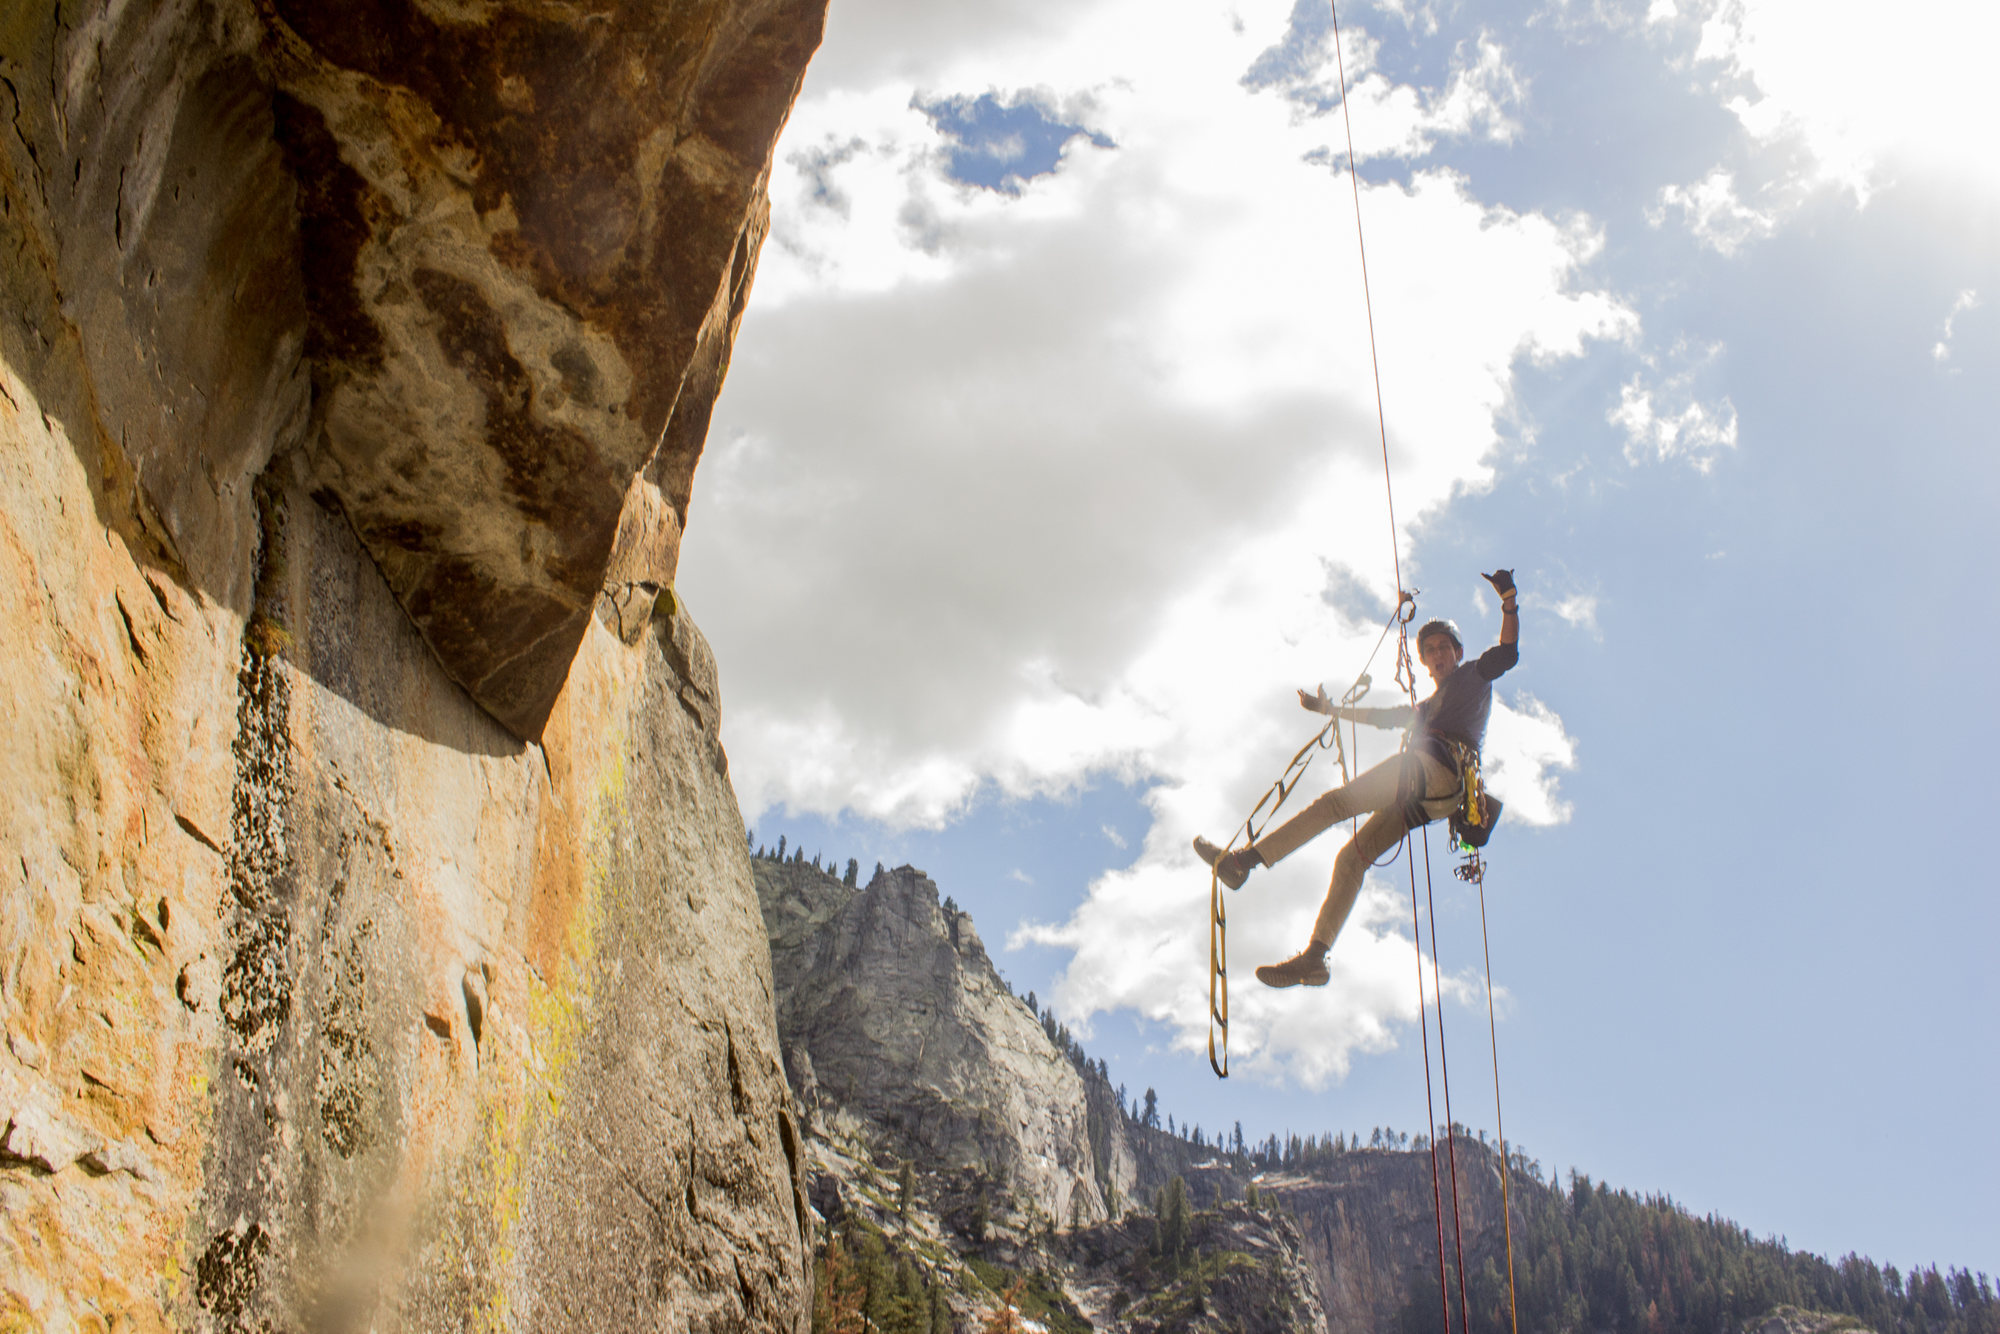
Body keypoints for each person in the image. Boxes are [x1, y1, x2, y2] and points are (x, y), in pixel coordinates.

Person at [1194, 570, 1520, 987]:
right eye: (1430, 650)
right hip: (1427, 798)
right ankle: (1315, 957)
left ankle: (1244, 863)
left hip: (1437, 772)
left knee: (1334, 805)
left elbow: (1507, 653)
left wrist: (1508, 600)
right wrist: (1331, 712)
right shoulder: (1425, 709)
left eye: (1444, 648)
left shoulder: (1474, 676)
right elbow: (1383, 718)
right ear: (1423, 660)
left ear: (1457, 652)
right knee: (1351, 859)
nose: (1438, 655)